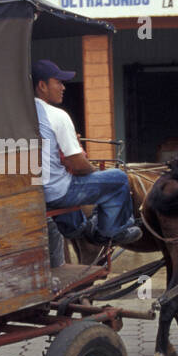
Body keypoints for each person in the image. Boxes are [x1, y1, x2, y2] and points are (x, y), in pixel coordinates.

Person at [33, 59, 141, 247]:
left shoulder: (21, 113)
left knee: (65, 179)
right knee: (118, 178)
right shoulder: (57, 115)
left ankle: (76, 228)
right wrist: (96, 173)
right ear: (42, 85)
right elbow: (78, 164)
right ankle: (112, 230)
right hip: (54, 191)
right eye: (58, 82)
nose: (63, 87)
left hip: (35, 189)